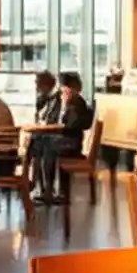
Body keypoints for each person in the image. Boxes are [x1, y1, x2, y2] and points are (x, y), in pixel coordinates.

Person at [31, 72, 93, 205]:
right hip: (59, 139)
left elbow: (72, 125)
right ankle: (38, 187)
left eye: (66, 87)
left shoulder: (78, 103)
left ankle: (50, 190)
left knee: (48, 144)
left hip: (71, 142)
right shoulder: (56, 100)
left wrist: (67, 107)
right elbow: (50, 118)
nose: (64, 91)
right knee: (37, 142)